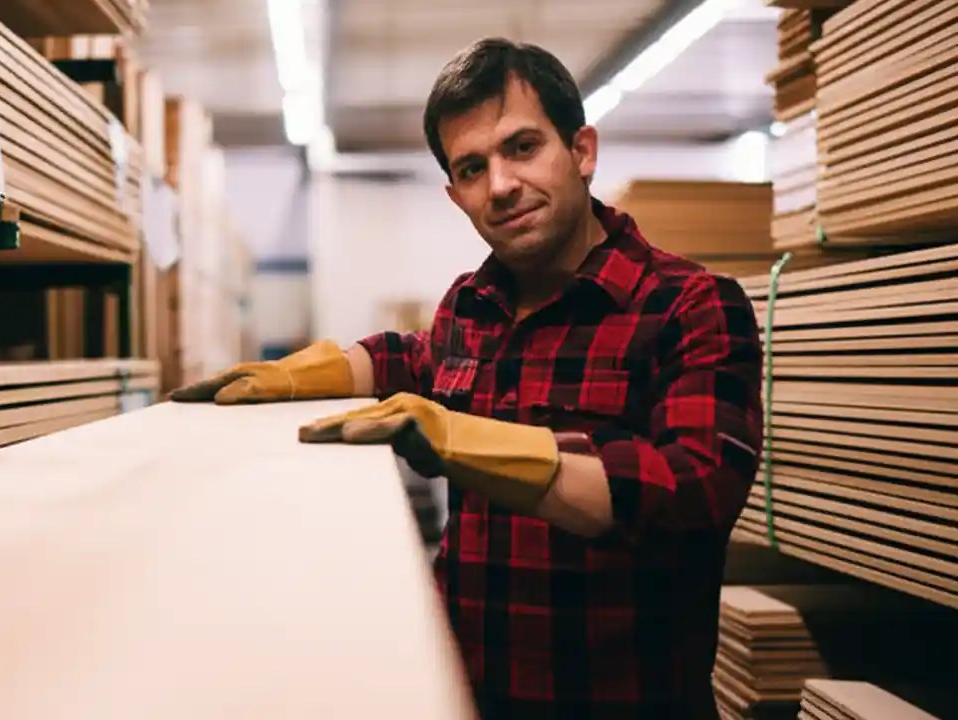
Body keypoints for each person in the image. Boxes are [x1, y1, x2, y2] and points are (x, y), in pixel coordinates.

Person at [172, 37, 763, 719]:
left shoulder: (689, 304)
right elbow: (414, 357)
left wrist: (474, 445)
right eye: (473, 168)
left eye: (522, 148)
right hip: (469, 697)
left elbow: (693, 491)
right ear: (455, 194)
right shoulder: (471, 305)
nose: (502, 185)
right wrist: (307, 371)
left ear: (582, 151)